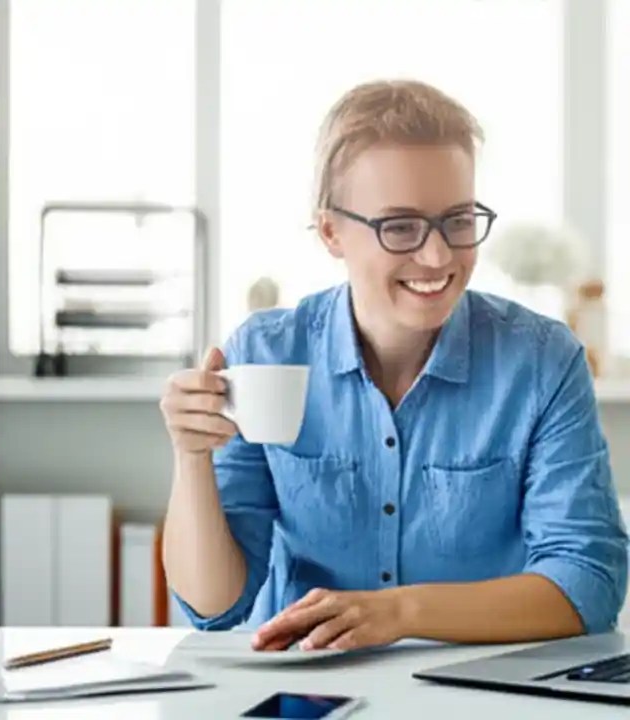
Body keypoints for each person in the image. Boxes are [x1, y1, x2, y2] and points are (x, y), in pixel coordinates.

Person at [160, 79, 628, 652]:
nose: (437, 257)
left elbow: (589, 583)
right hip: (308, 692)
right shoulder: (265, 354)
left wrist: (402, 612)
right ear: (331, 231)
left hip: (481, 693)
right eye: (400, 227)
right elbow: (215, 607)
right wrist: (190, 458)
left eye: (457, 221)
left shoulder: (542, 362)